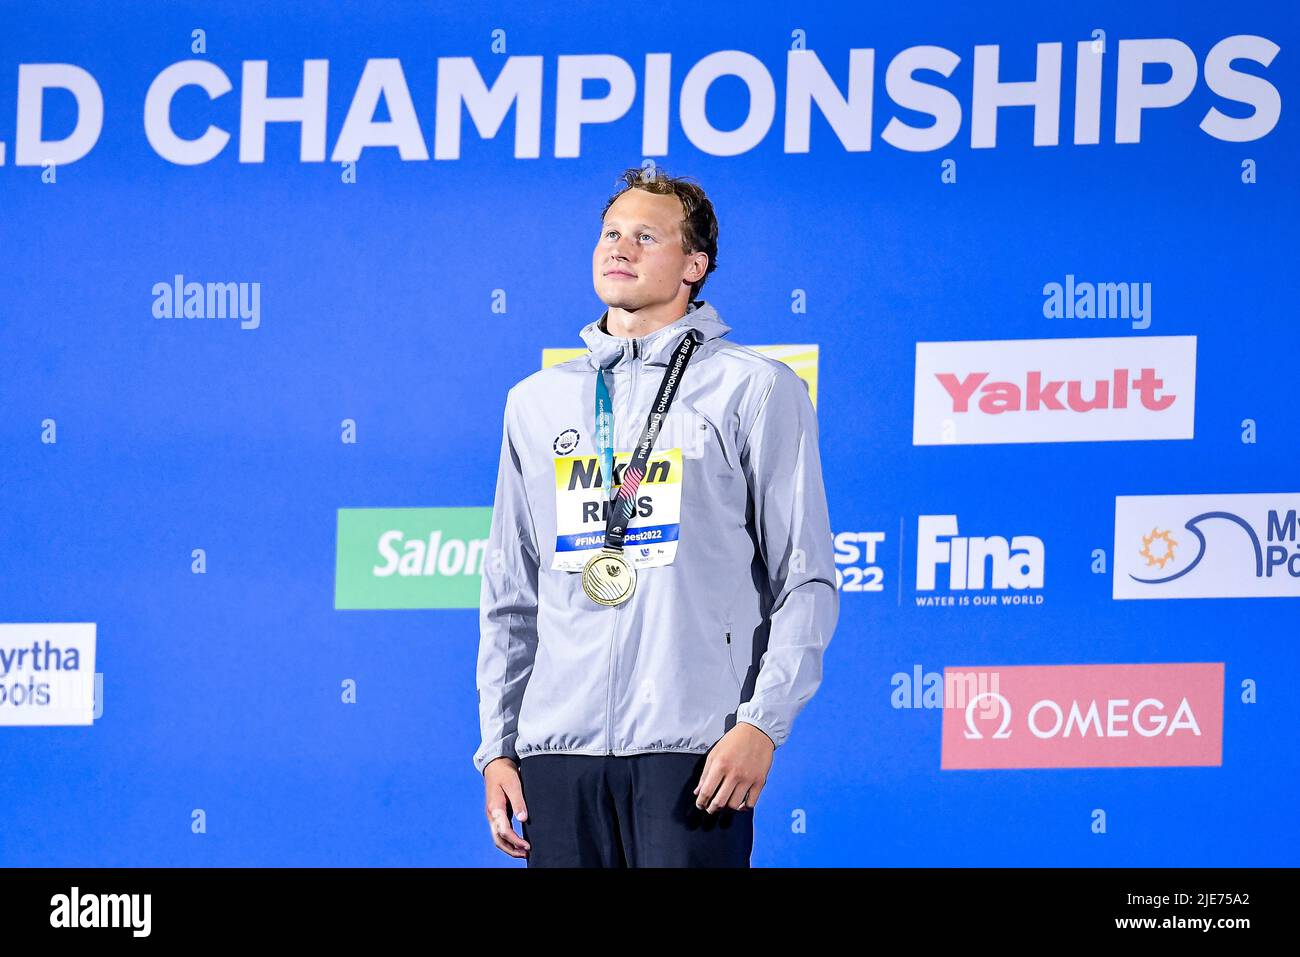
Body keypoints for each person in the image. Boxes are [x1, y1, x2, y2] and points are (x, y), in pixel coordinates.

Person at [474, 166, 838, 867]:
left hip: (694, 755)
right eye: (611, 233)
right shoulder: (535, 401)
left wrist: (762, 723)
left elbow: (806, 580)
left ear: (694, 265)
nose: (621, 248)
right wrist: (498, 744)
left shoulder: (756, 388)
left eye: (647, 236)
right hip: (557, 755)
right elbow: (510, 594)